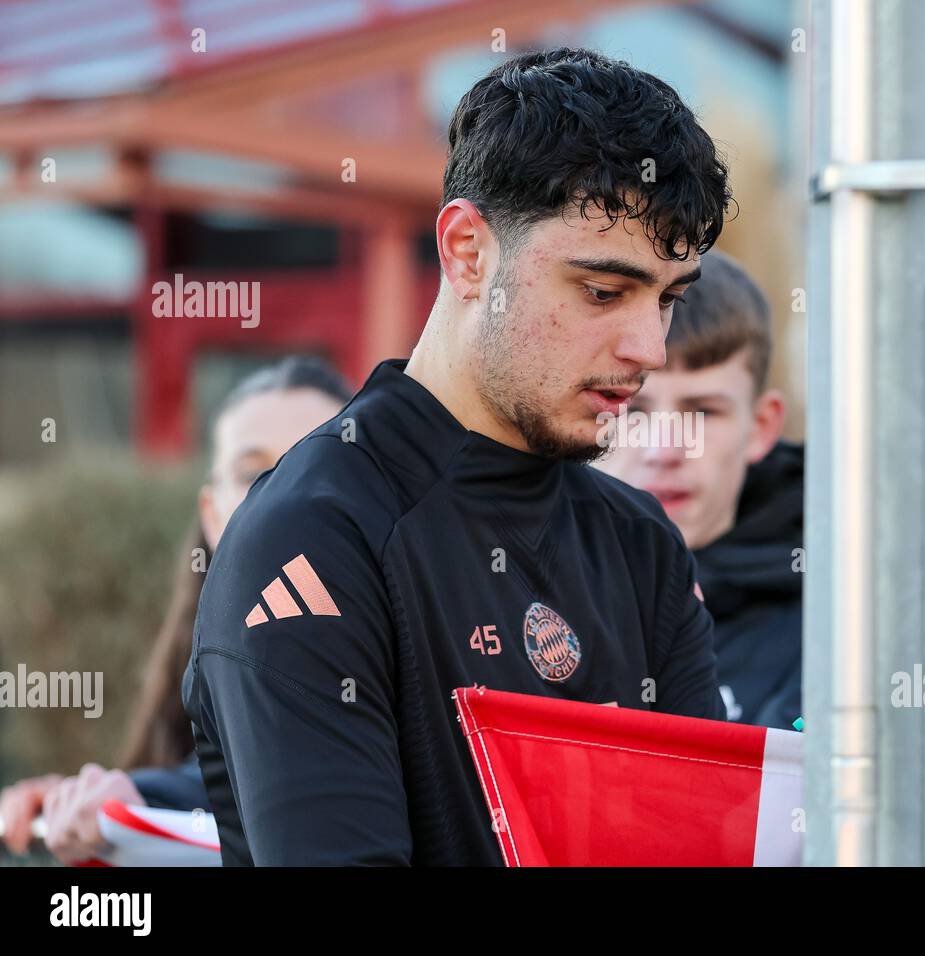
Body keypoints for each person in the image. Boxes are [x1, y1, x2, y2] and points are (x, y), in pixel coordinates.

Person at [183, 47, 734, 866]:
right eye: (603, 292)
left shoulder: (639, 544)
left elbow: (703, 850)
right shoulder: (311, 541)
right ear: (469, 252)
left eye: (669, 298)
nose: (650, 345)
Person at [0, 356, 351, 864]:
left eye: (311, 466)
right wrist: (88, 807)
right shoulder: (197, 697)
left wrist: (148, 799)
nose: (280, 501)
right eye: (253, 473)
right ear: (210, 514)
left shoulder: (417, 650)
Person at [594, 251, 802, 729]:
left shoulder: (846, 626)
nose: (665, 449)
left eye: (703, 412)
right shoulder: (516, 595)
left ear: (761, 426)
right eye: (634, 408)